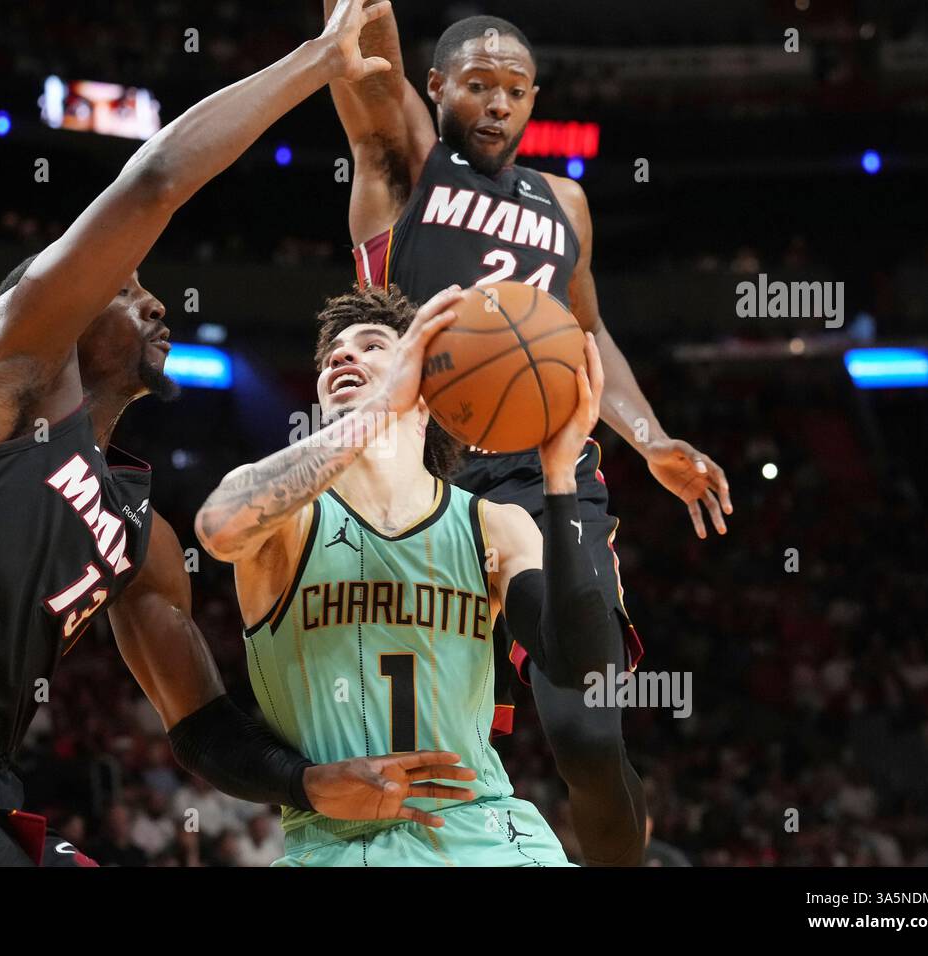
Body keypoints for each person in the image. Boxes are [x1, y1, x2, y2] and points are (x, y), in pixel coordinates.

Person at [0, 0, 471, 867]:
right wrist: (319, 60)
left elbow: (203, 725)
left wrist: (310, 784)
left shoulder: (142, 534)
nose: (159, 302)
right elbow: (156, 181)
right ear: (63, 306)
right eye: (130, 287)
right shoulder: (6, 386)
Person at [324, 4, 734, 865]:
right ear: (435, 88)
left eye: (515, 89)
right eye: (477, 85)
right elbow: (358, 47)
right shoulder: (402, 166)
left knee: (586, 735)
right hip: (416, 482)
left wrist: (651, 437)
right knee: (413, 748)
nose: (498, 104)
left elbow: (589, 339)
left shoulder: (567, 203)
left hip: (542, 475)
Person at [195, 283, 615, 866]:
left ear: (430, 384)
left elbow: (581, 663)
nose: (344, 356)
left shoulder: (494, 525)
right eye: (333, 354)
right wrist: (379, 408)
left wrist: (561, 479)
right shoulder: (291, 520)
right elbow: (218, 528)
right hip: (337, 841)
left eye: (373, 346)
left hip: (490, 832)